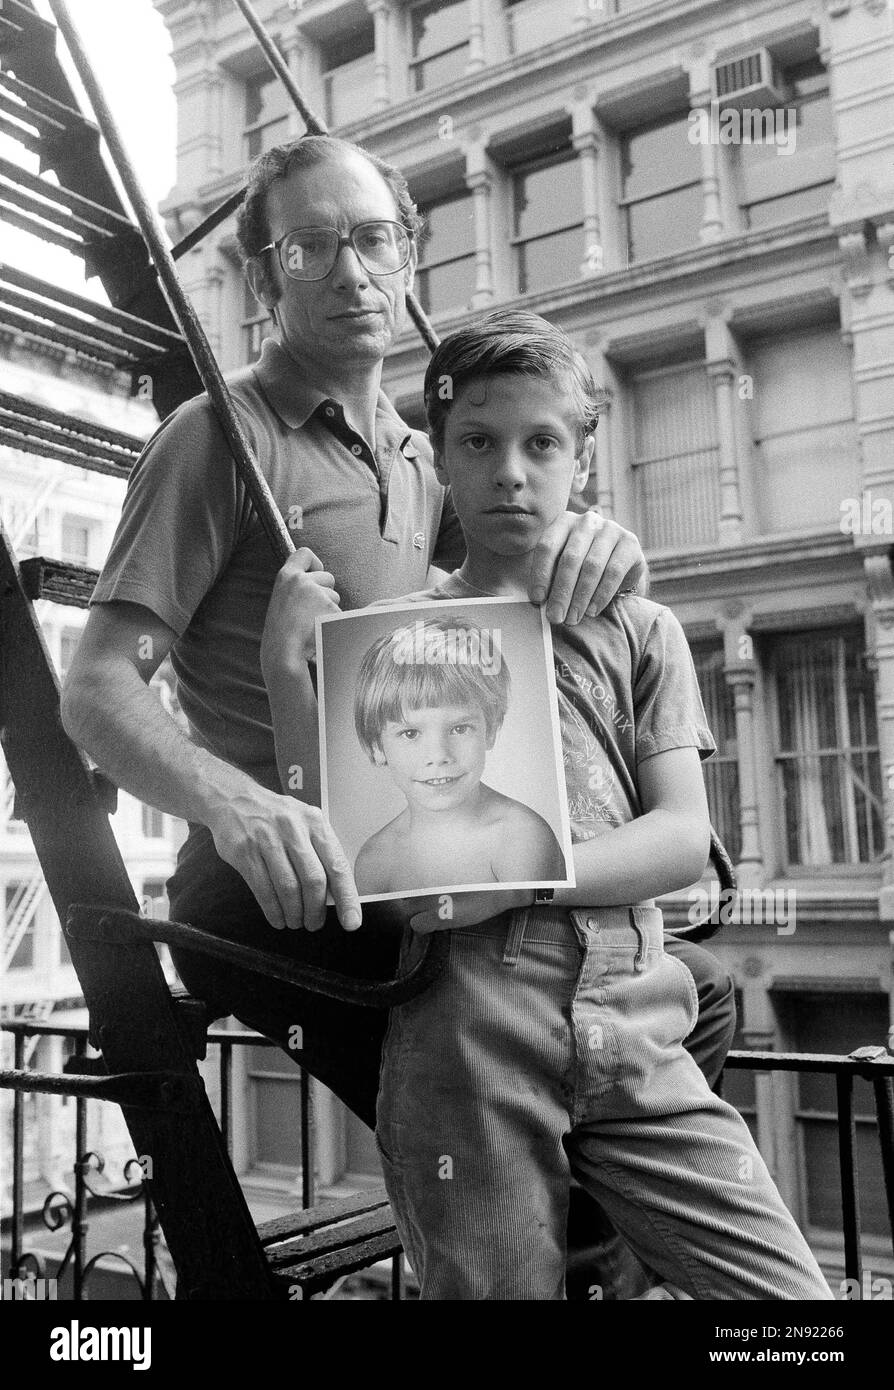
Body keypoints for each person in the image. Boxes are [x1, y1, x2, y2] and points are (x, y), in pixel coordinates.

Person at [58, 130, 727, 1292]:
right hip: (279, 872)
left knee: (694, 993)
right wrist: (239, 803)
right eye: (309, 247)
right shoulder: (219, 441)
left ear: (409, 250)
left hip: (409, 840)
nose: (350, 270)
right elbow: (97, 684)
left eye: (371, 238)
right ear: (265, 280)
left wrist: (605, 540)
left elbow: (523, 581)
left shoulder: (423, 456)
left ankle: (565, 1248)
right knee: (526, 1034)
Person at [262, 309, 832, 1300]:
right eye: (478, 443)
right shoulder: (396, 633)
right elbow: (350, 857)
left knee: (794, 1302)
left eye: (541, 443)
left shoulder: (640, 625)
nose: (510, 472)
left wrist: (521, 871)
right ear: (440, 457)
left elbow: (681, 836)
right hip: (467, 1026)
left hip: (635, 1008)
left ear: (581, 459)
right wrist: (285, 674)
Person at [350, 615, 565, 895]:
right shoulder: (374, 861)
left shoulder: (521, 837)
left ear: (490, 730)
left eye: (460, 728)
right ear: (377, 746)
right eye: (411, 733)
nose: (439, 756)